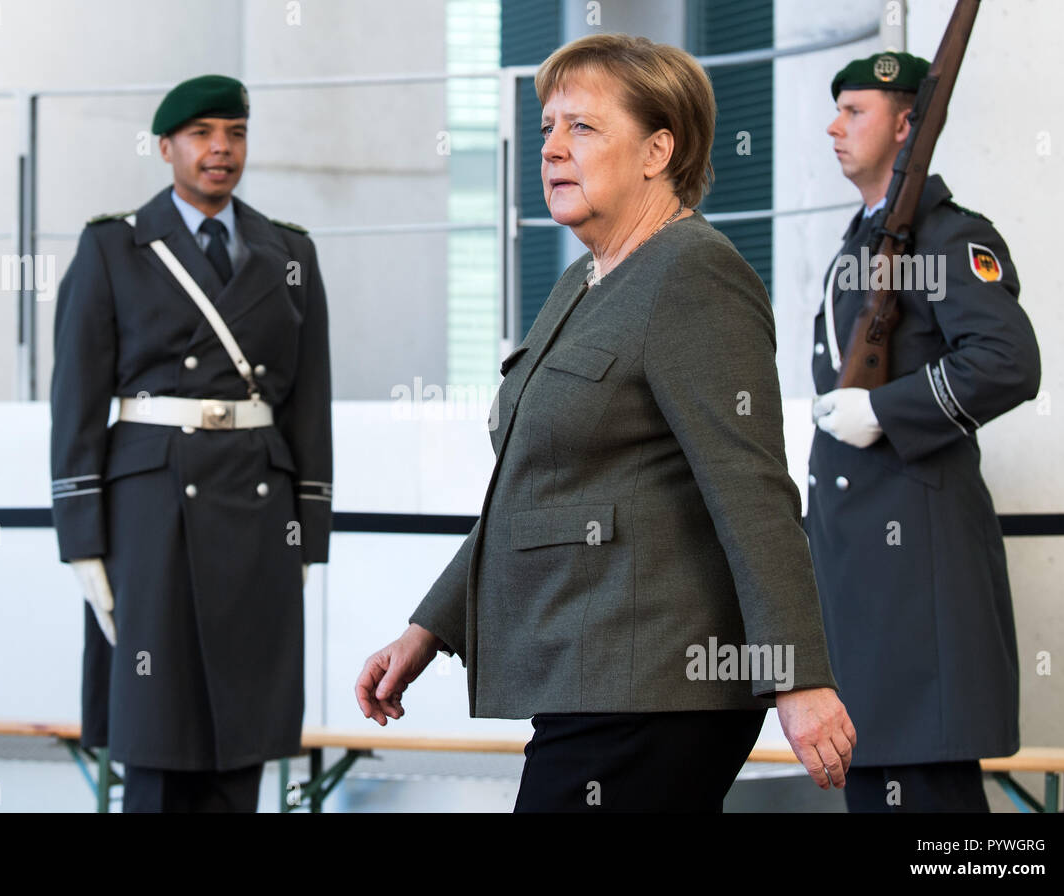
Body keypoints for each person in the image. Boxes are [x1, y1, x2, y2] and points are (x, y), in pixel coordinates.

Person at [355, 34, 855, 813]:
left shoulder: (693, 270)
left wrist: (798, 675)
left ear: (660, 148)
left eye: (582, 127)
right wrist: (429, 629)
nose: (553, 146)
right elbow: (526, 489)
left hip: (656, 685)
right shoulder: (580, 284)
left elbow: (752, 490)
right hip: (594, 679)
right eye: (548, 126)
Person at [49, 74, 333, 813]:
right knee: (155, 737)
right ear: (165, 146)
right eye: (203, 134)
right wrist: (82, 540)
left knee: (242, 739)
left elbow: (308, 408)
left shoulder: (290, 254)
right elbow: (77, 402)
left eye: (235, 133)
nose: (221, 149)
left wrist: (310, 536)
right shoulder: (114, 246)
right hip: (150, 513)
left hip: (258, 506)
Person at [808, 52, 1041, 812]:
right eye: (836, 109)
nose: (835, 126)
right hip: (864, 585)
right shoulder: (864, 244)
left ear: (910, 125)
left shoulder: (946, 238)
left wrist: (885, 410)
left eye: (856, 111)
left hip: (915, 590)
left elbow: (1008, 360)